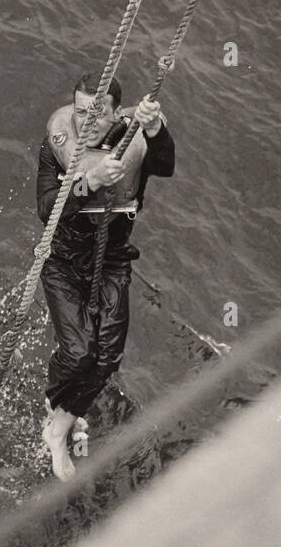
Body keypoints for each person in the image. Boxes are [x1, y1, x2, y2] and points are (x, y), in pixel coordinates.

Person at [36, 72, 176, 480]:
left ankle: (60, 422)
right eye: (80, 112)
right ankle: (56, 407)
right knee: (79, 353)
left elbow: (165, 165)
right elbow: (46, 207)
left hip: (112, 257)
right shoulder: (59, 143)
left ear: (117, 113)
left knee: (108, 356)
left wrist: (155, 128)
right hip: (63, 258)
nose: (86, 122)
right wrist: (88, 183)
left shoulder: (132, 139)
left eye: (98, 114)